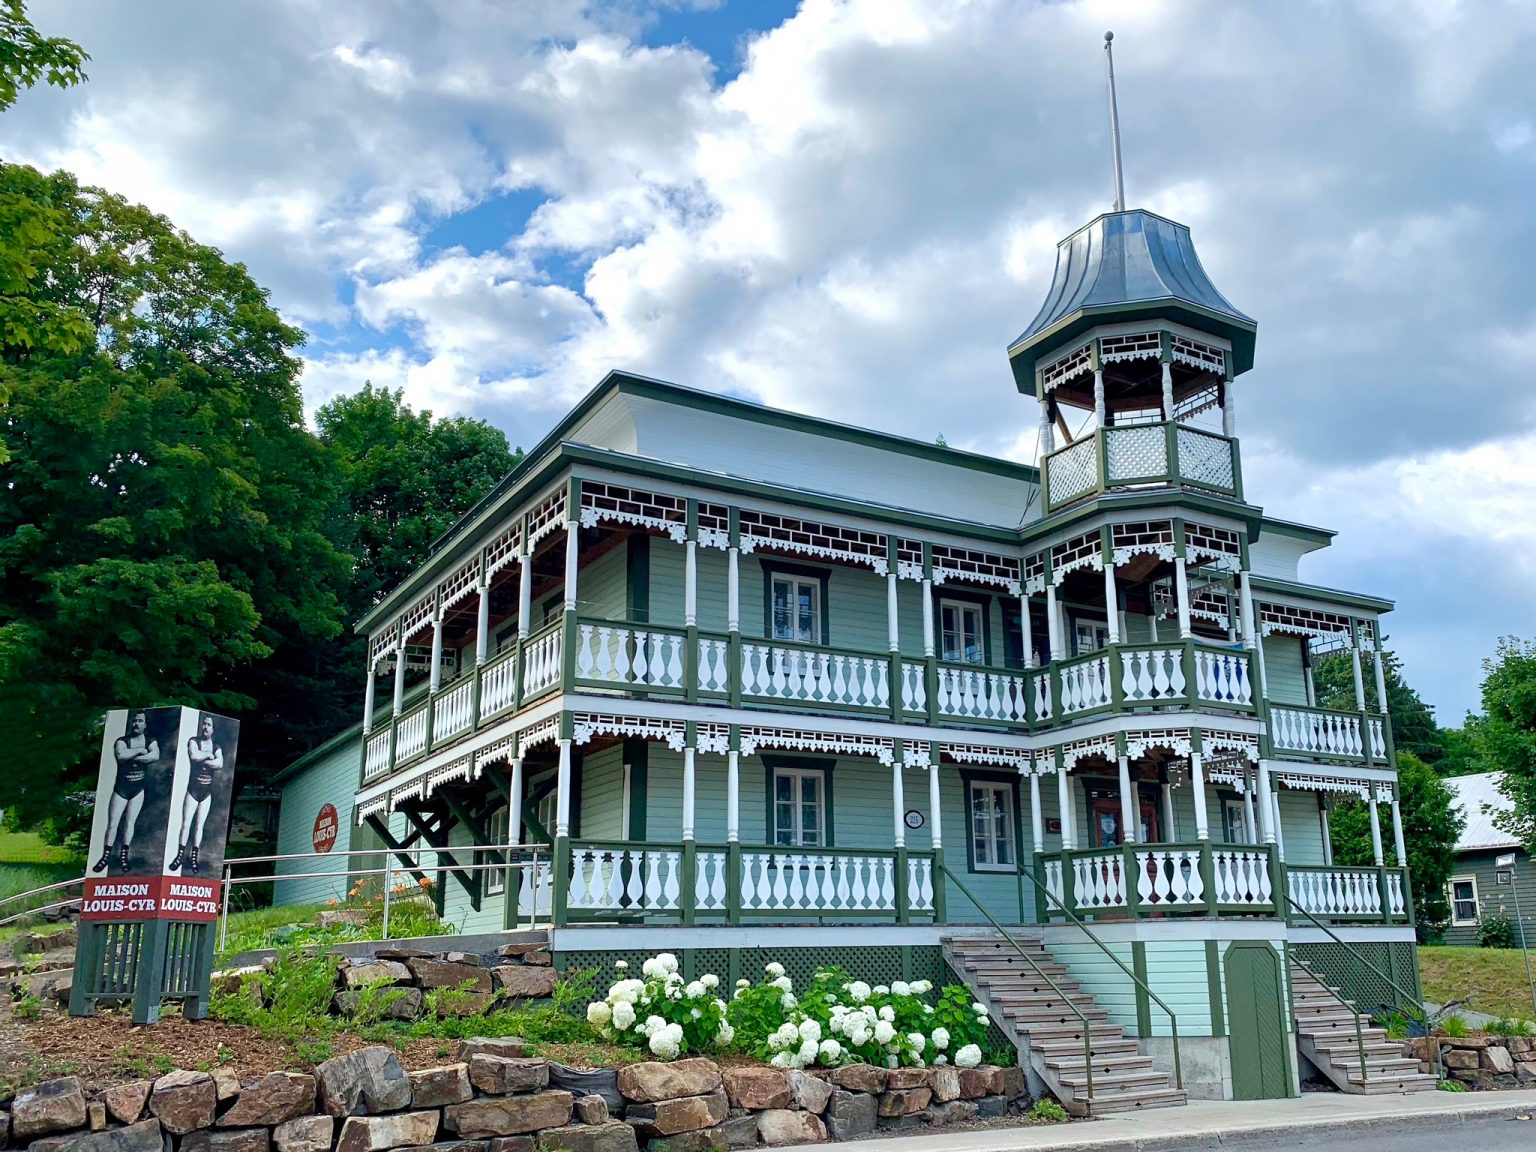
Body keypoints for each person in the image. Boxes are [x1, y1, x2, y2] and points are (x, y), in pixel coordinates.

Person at [93, 711, 159, 874]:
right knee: (113, 823)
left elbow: (154, 756)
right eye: (135, 720)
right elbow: (121, 756)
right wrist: (139, 752)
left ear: (145, 724)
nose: (136, 723)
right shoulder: (122, 741)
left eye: (140, 721)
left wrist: (135, 756)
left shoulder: (150, 740)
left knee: (130, 823)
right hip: (121, 788)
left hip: (138, 789)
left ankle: (124, 856)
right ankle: (105, 856)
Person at [170, 714, 222, 875]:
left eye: (208, 725)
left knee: (199, 826)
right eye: (204, 724)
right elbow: (194, 756)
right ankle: (179, 855)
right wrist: (207, 756)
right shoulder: (194, 741)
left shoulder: (216, 746)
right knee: (186, 824)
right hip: (193, 790)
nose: (205, 727)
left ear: (213, 729)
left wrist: (203, 757)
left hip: (206, 793)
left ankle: (194, 857)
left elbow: (219, 764)